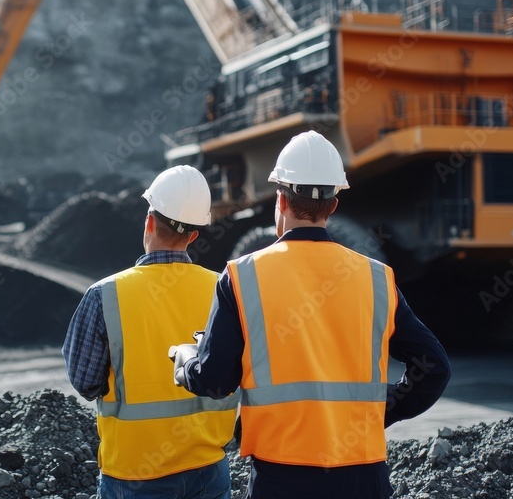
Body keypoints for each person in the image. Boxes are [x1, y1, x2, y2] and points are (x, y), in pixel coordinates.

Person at [171, 131, 452, 499]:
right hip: (363, 476)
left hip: (283, 477)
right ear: (333, 205)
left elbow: (213, 381)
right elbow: (434, 367)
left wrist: (185, 359)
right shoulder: (376, 278)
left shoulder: (243, 276)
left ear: (280, 199)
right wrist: (381, 412)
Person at [63, 165, 238, 499]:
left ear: (148, 222)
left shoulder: (106, 294)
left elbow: (86, 382)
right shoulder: (224, 289)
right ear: (193, 235)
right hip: (209, 469)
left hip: (134, 474)